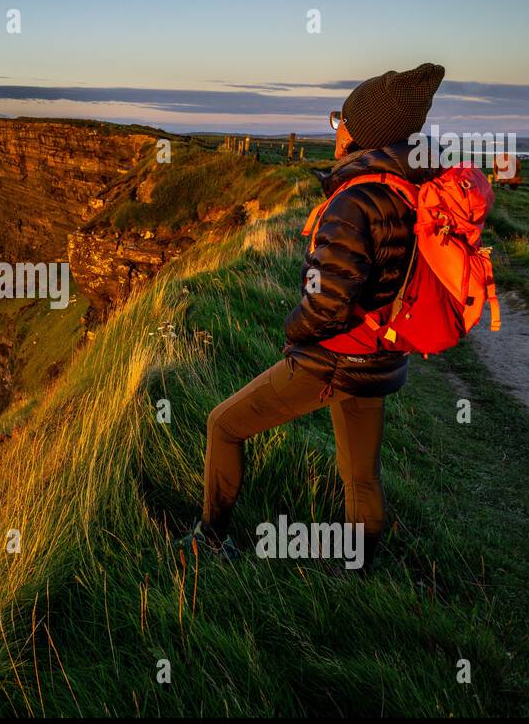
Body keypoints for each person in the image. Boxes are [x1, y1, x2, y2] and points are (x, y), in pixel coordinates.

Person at [181, 63, 448, 562]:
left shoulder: (355, 201)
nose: (336, 130)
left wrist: (292, 331)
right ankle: (361, 566)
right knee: (361, 474)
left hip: (333, 359)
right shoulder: (408, 190)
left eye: (340, 120)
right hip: (380, 358)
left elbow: (327, 305)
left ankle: (209, 540)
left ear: (362, 132)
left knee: (223, 425)